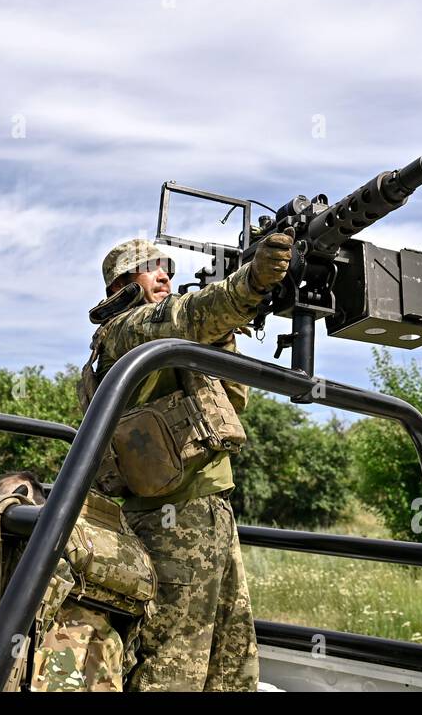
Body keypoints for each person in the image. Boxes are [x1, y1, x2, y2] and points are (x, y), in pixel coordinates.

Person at [84, 231, 293, 691]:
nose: (164, 274)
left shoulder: (174, 336)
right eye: (149, 267)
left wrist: (225, 330)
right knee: (171, 668)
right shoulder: (126, 330)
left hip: (210, 511)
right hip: (169, 525)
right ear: (120, 287)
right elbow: (189, 313)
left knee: (231, 665)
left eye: (168, 268)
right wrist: (251, 283)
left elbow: (233, 398)